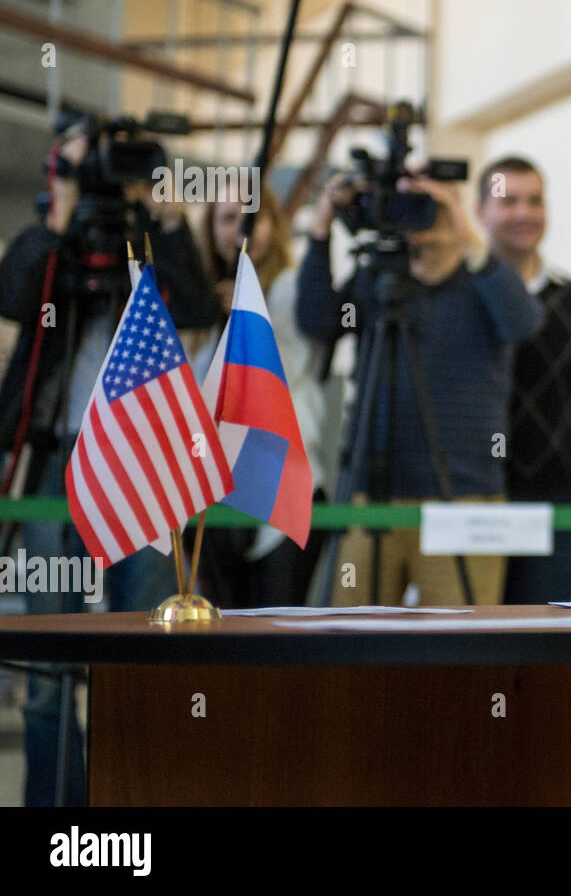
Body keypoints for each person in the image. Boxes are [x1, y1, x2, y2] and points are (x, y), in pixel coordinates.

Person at [0, 114, 218, 805]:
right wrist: (62, 206)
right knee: (49, 656)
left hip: (142, 459)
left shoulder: (150, 236)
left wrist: (167, 216)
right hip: (52, 458)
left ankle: (140, 803)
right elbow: (15, 297)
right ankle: (52, 808)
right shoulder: (49, 238)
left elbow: (196, 307)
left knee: (144, 646)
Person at [297, 170, 542, 606]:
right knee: (352, 639)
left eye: (429, 208)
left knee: (461, 648)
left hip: (465, 496)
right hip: (372, 493)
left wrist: (468, 234)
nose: (419, 223)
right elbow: (314, 321)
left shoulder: (483, 282)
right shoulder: (376, 281)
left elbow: (523, 321)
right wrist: (322, 226)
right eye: (405, 209)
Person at [192, 189, 330, 607]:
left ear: (274, 223)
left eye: (253, 217)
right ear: (212, 229)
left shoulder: (292, 287)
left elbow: (282, 372)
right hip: (216, 491)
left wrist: (242, 310)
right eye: (228, 218)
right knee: (224, 627)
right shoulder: (200, 304)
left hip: (285, 480)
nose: (242, 228)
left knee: (280, 626)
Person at [476, 156, 571, 603]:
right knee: (472, 633)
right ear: (480, 212)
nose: (524, 213)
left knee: (547, 633)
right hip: (475, 495)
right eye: (509, 201)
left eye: (535, 201)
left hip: (555, 494)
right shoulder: (462, 294)